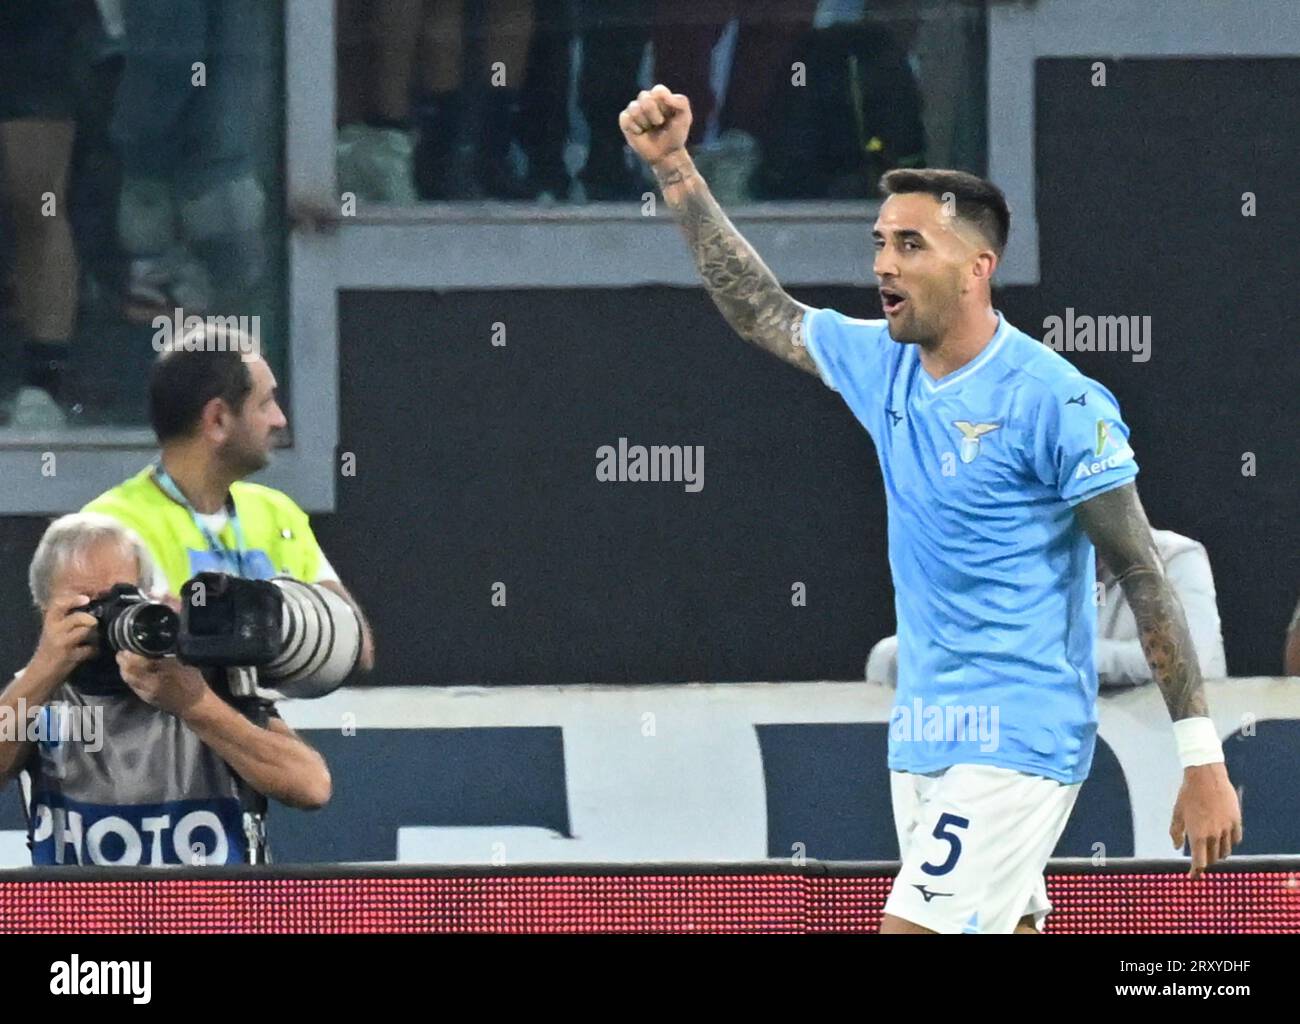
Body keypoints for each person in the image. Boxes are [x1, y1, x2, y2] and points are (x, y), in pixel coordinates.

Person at [619, 84, 1241, 934]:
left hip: (1017, 740)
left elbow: (1139, 570)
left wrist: (1201, 759)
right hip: (923, 736)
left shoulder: (1057, 400)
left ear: (977, 268)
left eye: (911, 245)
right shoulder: (883, 364)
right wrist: (678, 172)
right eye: (880, 243)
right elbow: (762, 311)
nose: (884, 264)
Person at [0, 513, 332, 865]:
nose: (107, 616)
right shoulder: (37, 695)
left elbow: (311, 787)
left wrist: (194, 705)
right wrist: (43, 672)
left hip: (210, 917)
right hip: (83, 917)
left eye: (122, 597)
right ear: (45, 611)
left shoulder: (197, 679)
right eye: (88, 603)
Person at [81, 323, 375, 671]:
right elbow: (129, 669)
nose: (280, 420)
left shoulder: (277, 512)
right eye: (265, 403)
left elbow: (356, 651)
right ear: (218, 419)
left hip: (270, 725)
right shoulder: (109, 527)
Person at [867, 528, 1228, 688]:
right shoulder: (1030, 567)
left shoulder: (1176, 558)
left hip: (1171, 754)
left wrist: (1039, 657)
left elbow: (1180, 658)